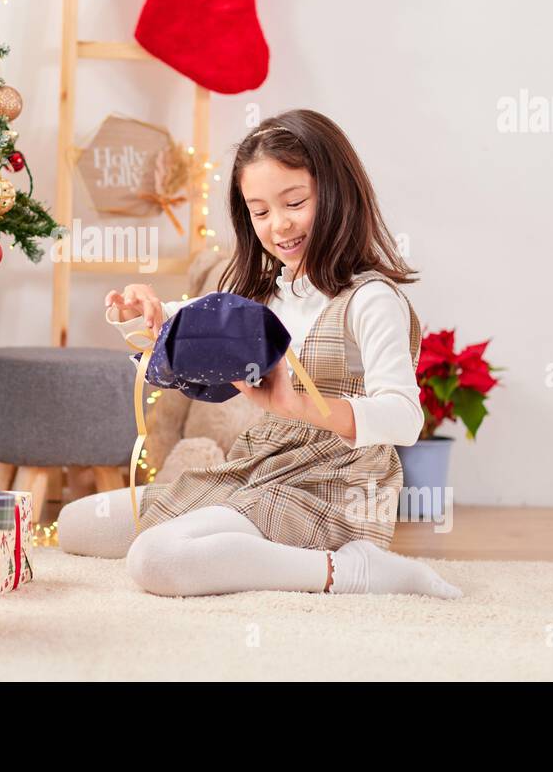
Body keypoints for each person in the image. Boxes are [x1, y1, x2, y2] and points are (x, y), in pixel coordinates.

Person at [57, 109, 463, 600]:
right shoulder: (267, 292)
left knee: (155, 558)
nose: (279, 225)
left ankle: (352, 570)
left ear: (337, 193)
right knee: (76, 524)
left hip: (334, 484)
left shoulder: (370, 299)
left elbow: (403, 418)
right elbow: (186, 318)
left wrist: (305, 408)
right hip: (260, 466)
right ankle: (243, 544)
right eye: (260, 211)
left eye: (295, 202)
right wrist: (145, 311)